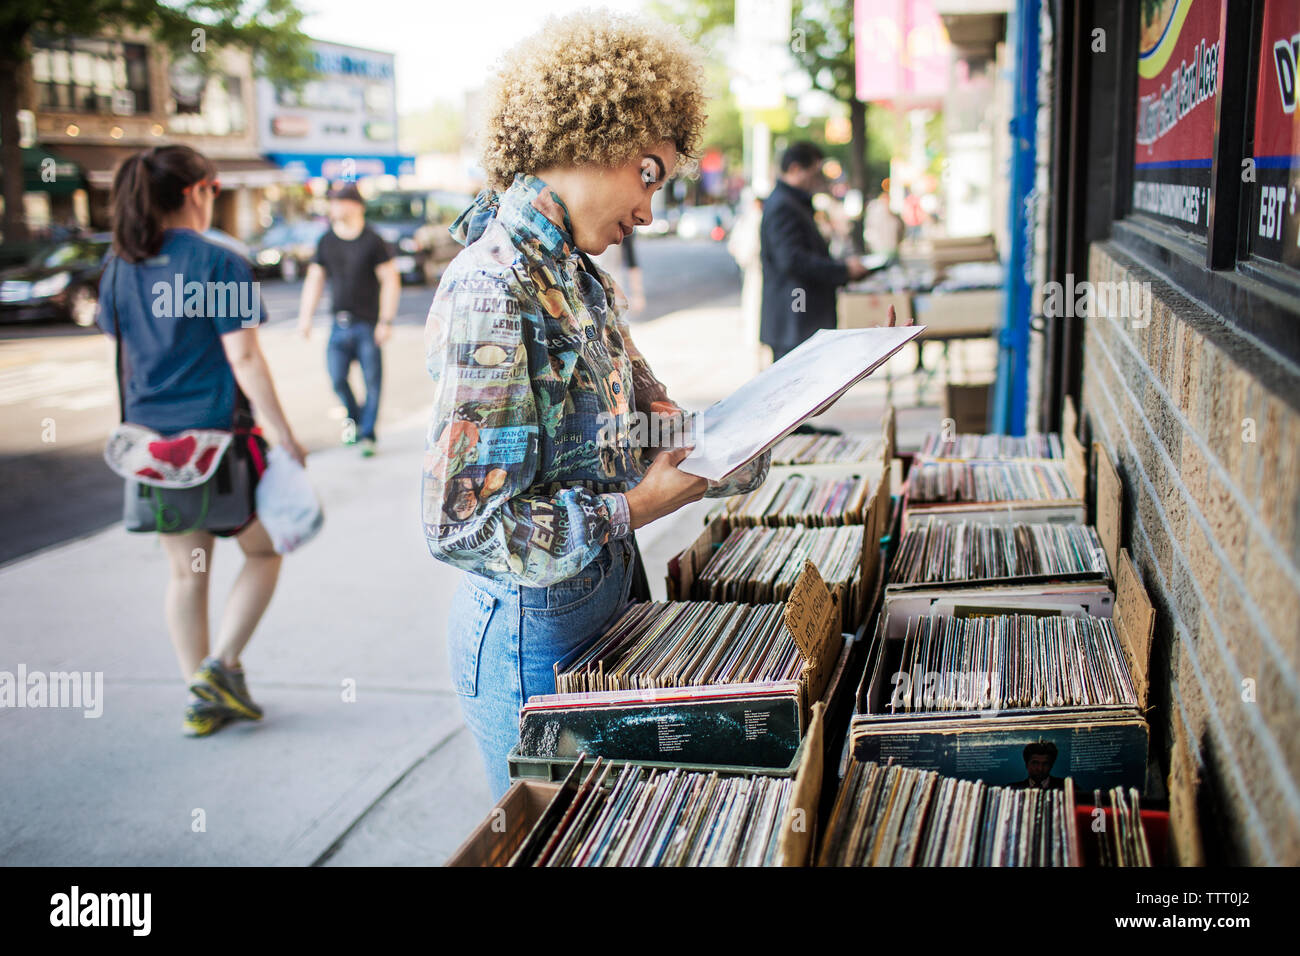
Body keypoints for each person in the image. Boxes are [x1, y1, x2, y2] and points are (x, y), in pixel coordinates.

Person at [423, 12, 770, 800]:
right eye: (649, 173)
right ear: (588, 132)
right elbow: (464, 526)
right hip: (534, 635)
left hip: (609, 599)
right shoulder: (493, 286)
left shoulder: (583, 280)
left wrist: (736, 440)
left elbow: (636, 435)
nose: (650, 210)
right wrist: (639, 505)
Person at [97, 145, 307, 737]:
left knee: (187, 574)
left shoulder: (119, 265)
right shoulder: (220, 261)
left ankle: (201, 695)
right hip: (219, 446)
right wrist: (284, 434)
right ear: (196, 192)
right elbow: (244, 356)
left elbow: (122, 349)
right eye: (214, 188)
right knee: (264, 553)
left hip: (150, 449)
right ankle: (222, 666)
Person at [296, 182, 400, 457]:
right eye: (332, 202)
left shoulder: (372, 240)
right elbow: (315, 279)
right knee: (337, 379)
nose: (335, 207)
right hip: (338, 325)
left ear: (356, 206)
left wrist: (386, 320)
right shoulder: (326, 240)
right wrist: (305, 317)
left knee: (372, 383)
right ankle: (354, 419)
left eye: (340, 201)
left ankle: (368, 435)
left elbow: (390, 279)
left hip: (368, 324)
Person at [759, 141, 870, 363]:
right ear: (795, 169)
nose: (817, 179)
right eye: (814, 172)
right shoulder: (784, 205)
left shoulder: (790, 202)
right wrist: (843, 270)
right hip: (796, 321)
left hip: (798, 322)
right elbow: (792, 260)